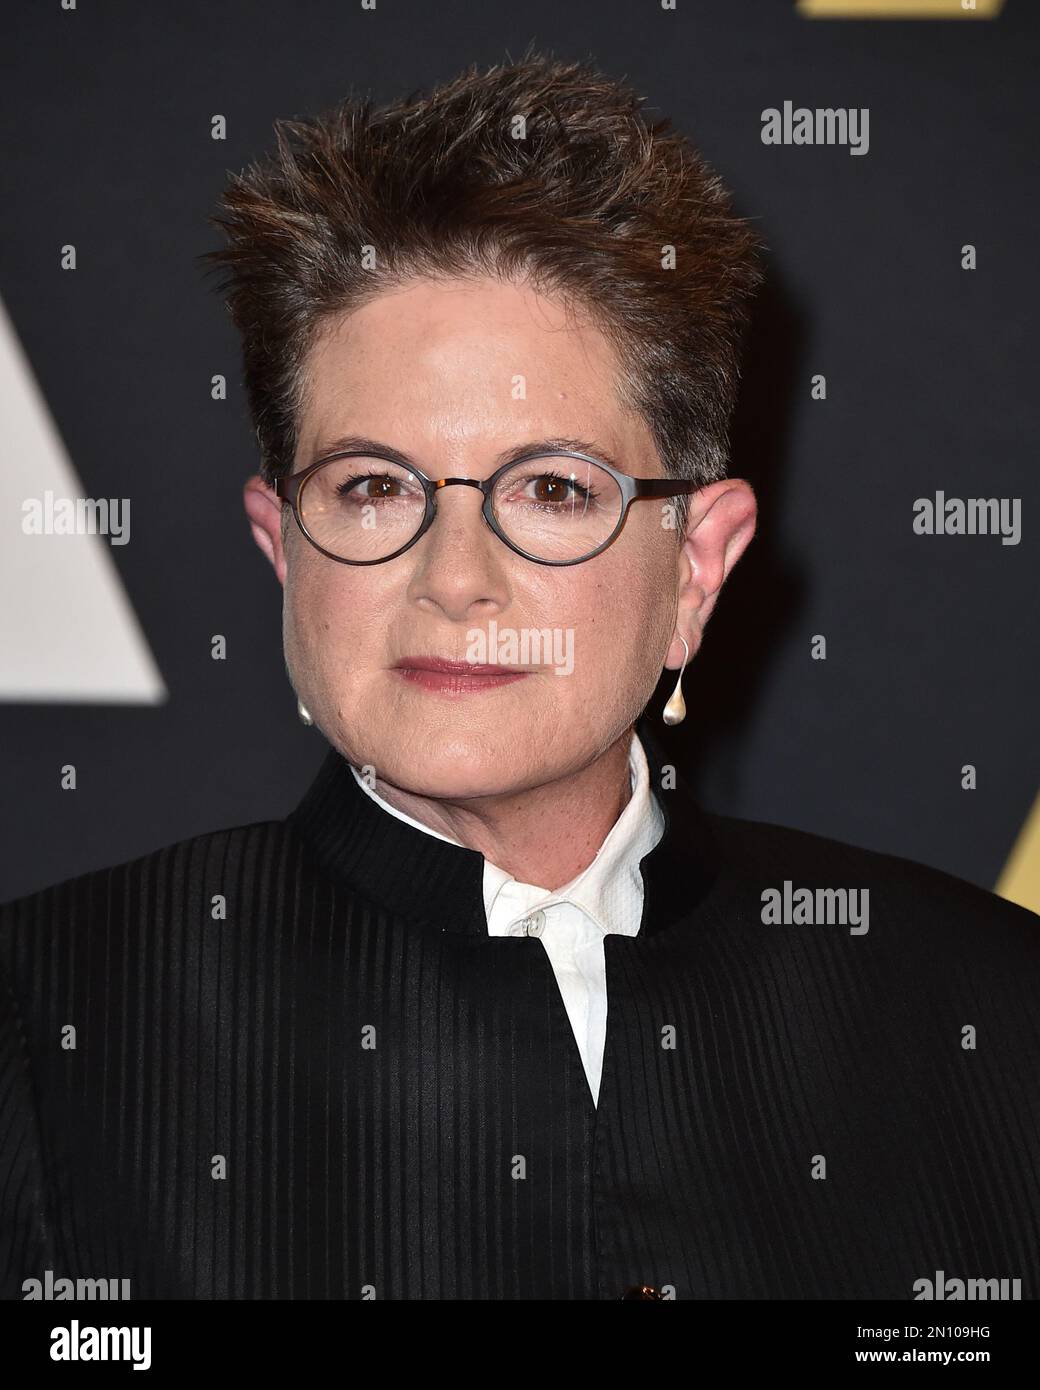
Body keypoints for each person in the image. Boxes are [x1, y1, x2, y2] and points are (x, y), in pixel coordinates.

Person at [2, 51, 1038, 1302]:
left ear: (695, 570)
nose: (455, 578)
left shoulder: (986, 1014)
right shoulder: (43, 1024)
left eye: (551, 490)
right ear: (284, 546)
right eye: (373, 486)